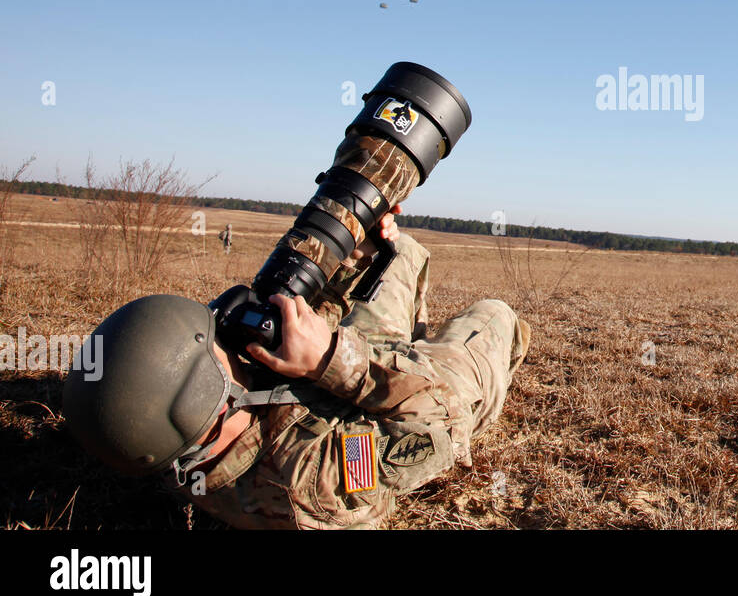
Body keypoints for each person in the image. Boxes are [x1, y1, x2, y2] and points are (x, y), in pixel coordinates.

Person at [62, 206, 530, 529]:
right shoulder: (314, 481)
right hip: (402, 395)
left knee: (397, 251)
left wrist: (355, 258)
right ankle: (455, 351)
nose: (242, 344)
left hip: (348, 375)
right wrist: (329, 358)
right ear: (213, 406)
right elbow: (440, 420)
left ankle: (398, 313)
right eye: (224, 351)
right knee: (495, 312)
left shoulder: (167, 437)